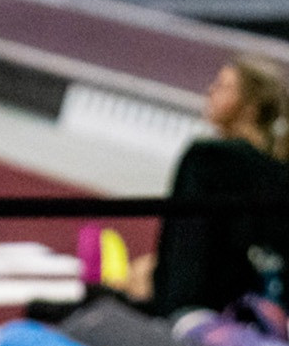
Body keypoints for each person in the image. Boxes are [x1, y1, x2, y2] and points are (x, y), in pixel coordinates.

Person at [114, 54, 289, 313]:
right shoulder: (279, 172)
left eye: (223, 87)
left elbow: (184, 265)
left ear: (251, 108)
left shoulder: (207, 159)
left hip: (193, 321)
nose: (210, 91)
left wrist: (157, 288)